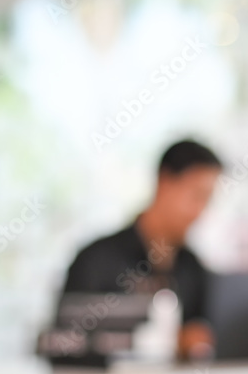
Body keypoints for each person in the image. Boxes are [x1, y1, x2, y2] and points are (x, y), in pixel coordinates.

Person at [60, 139, 221, 360]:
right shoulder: (96, 261)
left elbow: (200, 339)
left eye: (208, 200)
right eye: (196, 196)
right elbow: (62, 346)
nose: (200, 211)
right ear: (165, 182)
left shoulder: (193, 269)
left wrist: (194, 344)